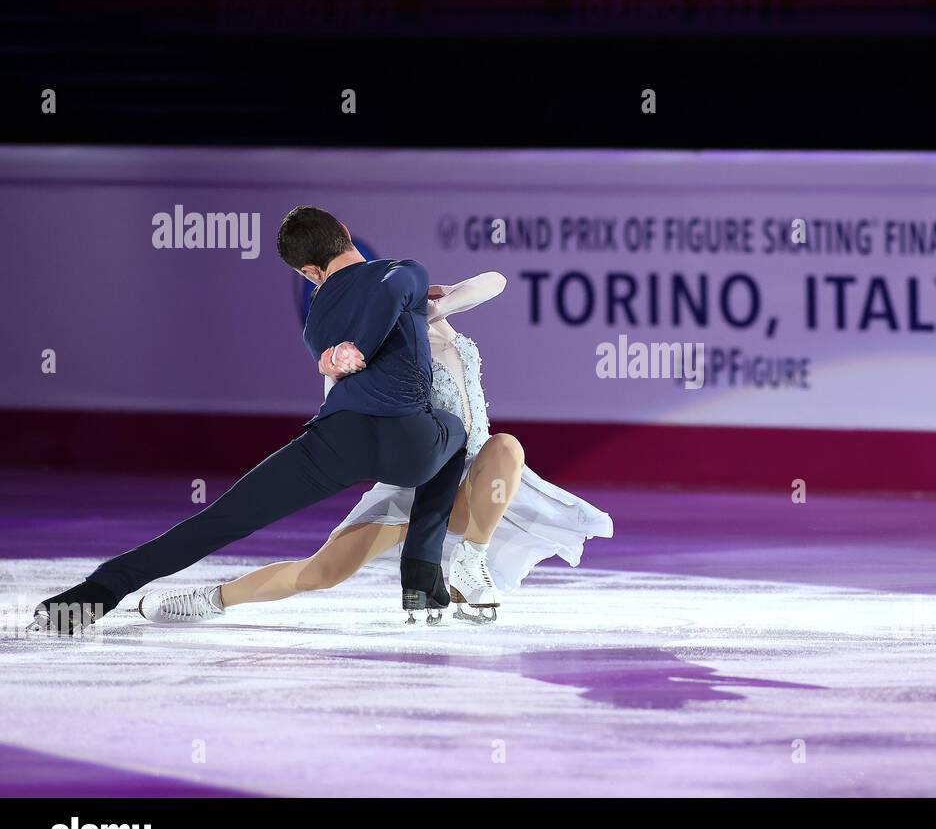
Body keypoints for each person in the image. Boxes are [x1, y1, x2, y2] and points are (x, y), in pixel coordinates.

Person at [29, 206, 466, 634]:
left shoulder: (316, 320)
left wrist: (344, 352)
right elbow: (391, 289)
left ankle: (96, 592)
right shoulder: (405, 271)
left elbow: (355, 334)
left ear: (310, 272)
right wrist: (366, 342)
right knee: (456, 430)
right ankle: (421, 571)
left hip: (334, 444)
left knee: (219, 522)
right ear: (345, 232)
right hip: (411, 443)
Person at [137, 271, 613, 626]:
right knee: (321, 572)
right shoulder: (368, 348)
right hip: (417, 477)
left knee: (506, 446)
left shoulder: (423, 315)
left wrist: (439, 294)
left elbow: (495, 281)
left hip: (478, 475)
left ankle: (470, 562)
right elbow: (339, 414)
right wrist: (338, 368)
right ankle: (210, 599)